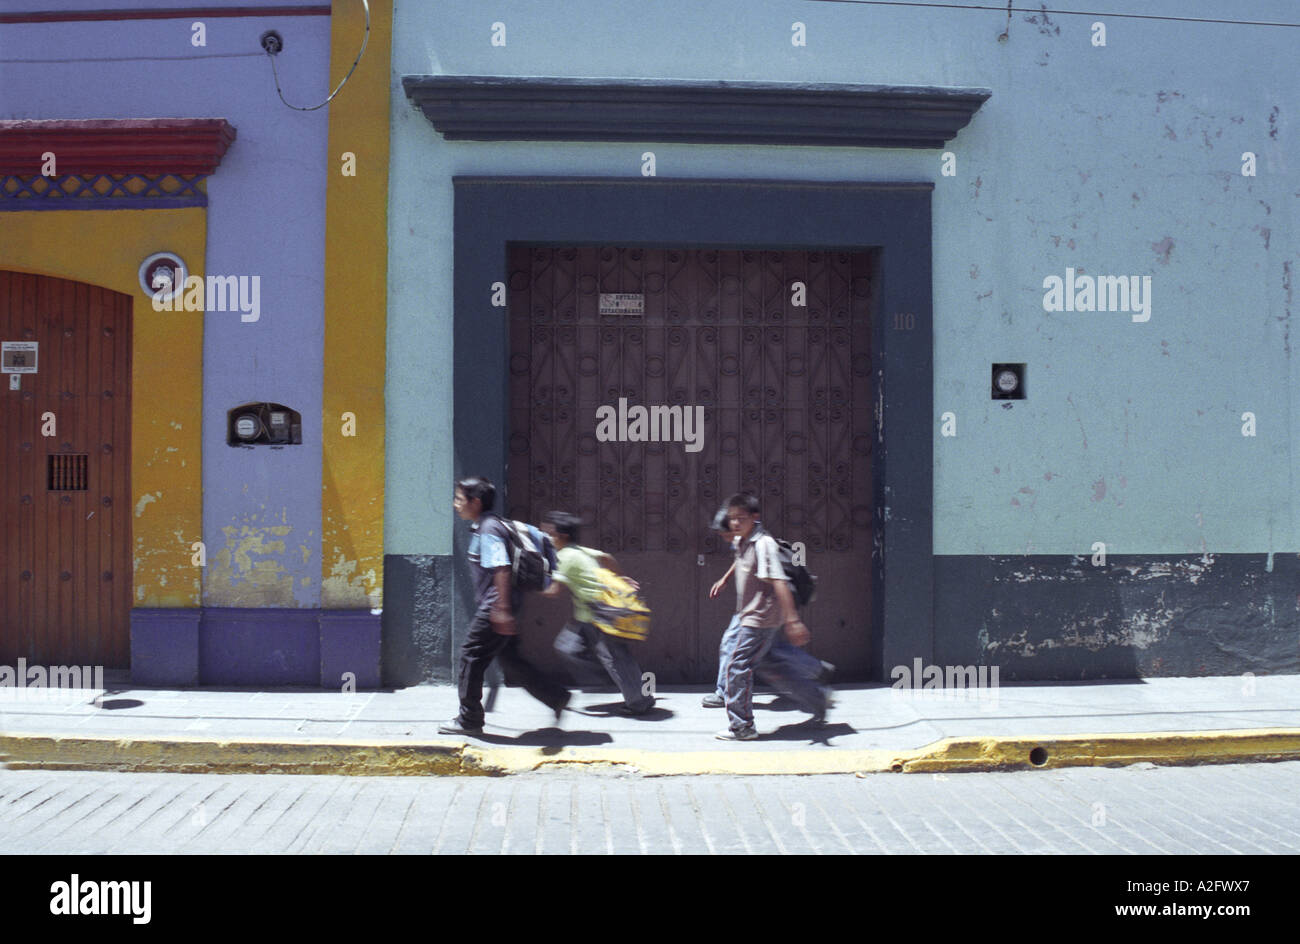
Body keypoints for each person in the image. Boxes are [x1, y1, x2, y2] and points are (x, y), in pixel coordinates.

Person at [438, 476, 570, 735]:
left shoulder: (489, 529)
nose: (455, 504)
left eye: (459, 499)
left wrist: (502, 609)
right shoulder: (489, 525)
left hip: (496, 606)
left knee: (471, 655)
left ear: (475, 502)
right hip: (504, 604)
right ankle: (555, 696)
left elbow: (501, 566)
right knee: (509, 658)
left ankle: (470, 719)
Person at [716, 492, 830, 740]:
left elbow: (779, 581)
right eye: (732, 518)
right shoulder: (742, 541)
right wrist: (725, 579)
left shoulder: (764, 544)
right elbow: (741, 562)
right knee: (771, 665)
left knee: (737, 668)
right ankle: (817, 697)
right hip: (753, 617)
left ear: (755, 517)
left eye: (741, 518)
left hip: (759, 619)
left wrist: (793, 621)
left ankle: (742, 726)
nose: (735, 523)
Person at [540, 511, 655, 716]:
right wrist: (620, 578)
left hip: (599, 614)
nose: (546, 538)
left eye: (550, 534)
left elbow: (554, 591)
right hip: (595, 612)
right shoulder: (580, 550)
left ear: (563, 536)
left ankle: (637, 701)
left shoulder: (565, 556)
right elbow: (606, 557)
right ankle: (639, 694)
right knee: (574, 647)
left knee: (613, 658)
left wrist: (530, 582)